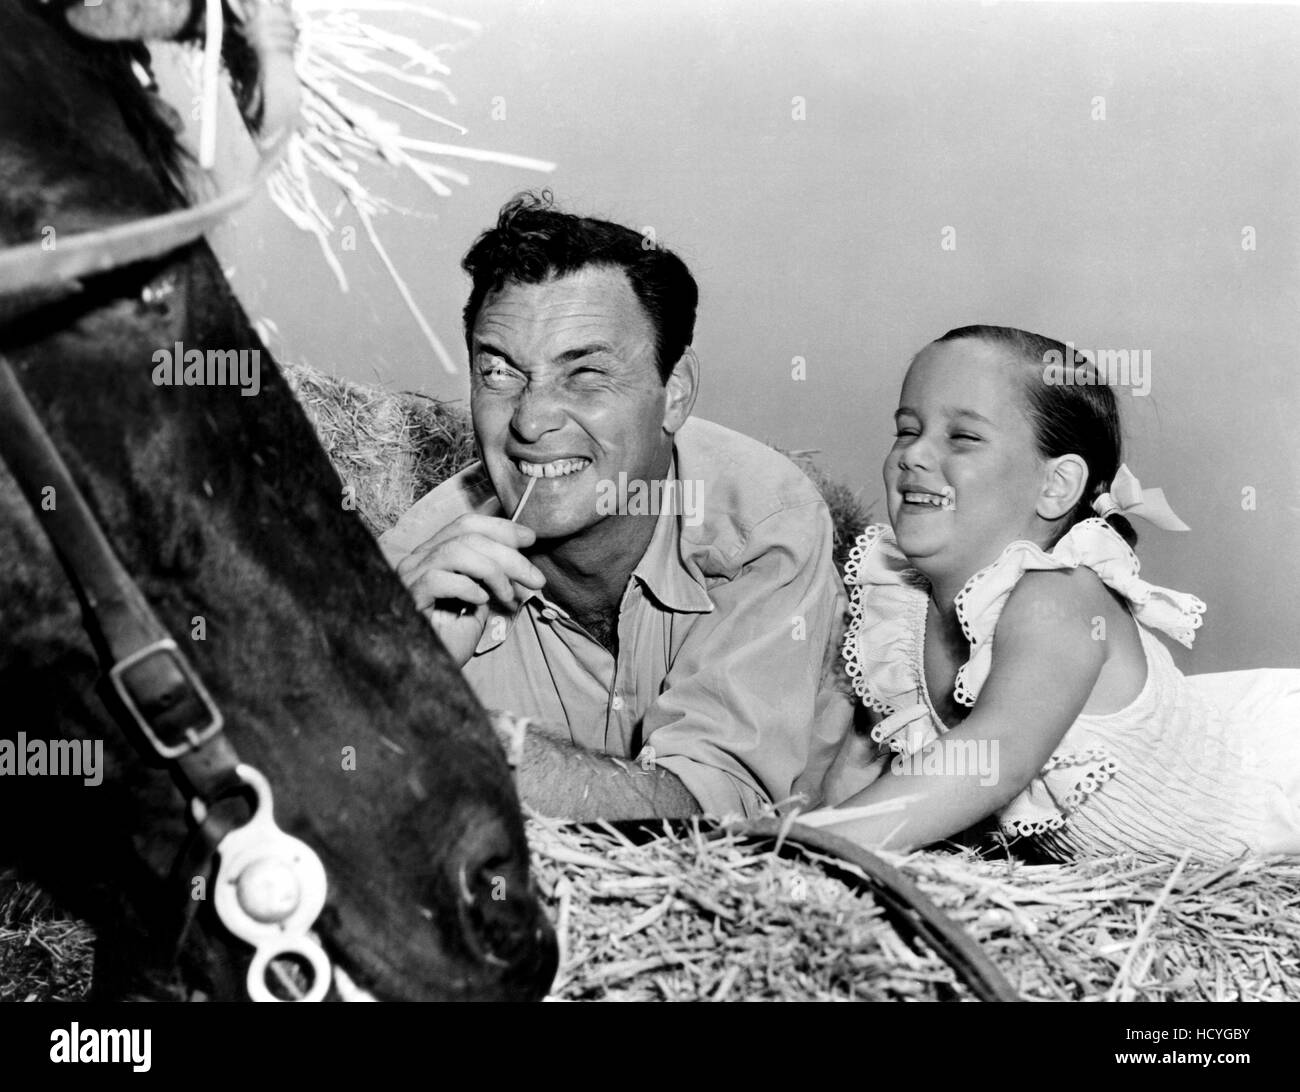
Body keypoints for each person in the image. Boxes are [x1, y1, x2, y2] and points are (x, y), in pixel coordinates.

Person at [380, 194, 853, 821]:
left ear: (674, 393)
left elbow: (713, 818)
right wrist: (387, 673)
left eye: (585, 374)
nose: (531, 420)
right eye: (499, 373)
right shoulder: (410, 566)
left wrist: (444, 733)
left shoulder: (763, 525)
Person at [804, 324, 1300, 861]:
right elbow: (861, 766)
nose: (913, 454)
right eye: (906, 429)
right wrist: (785, 848)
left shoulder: (1058, 596)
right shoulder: (900, 608)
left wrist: (817, 849)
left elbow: (991, 759)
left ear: (1056, 485)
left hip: (1268, 803)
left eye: (963, 437)